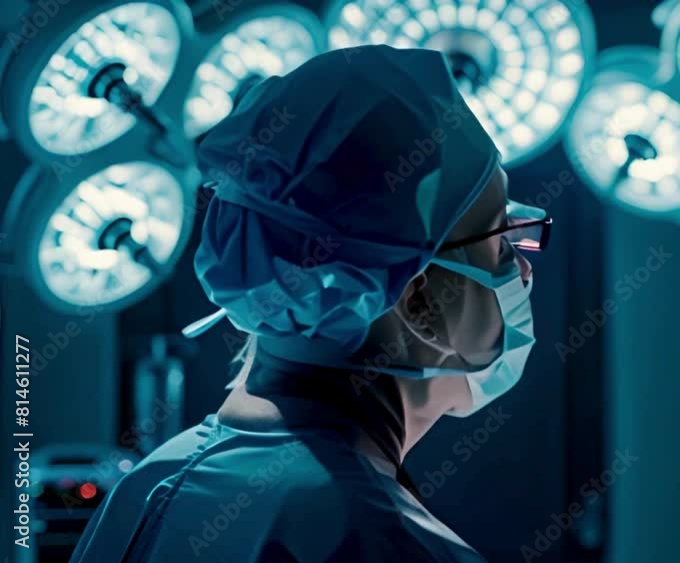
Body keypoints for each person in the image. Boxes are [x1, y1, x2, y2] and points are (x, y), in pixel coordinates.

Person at [70, 45, 552, 562]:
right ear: (418, 301)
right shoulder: (389, 546)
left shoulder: (151, 487)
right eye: (501, 239)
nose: (524, 266)